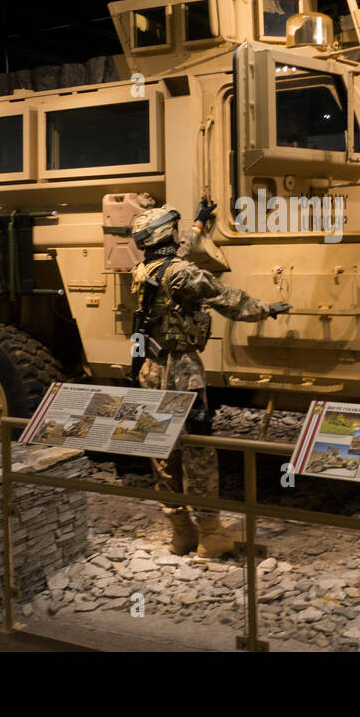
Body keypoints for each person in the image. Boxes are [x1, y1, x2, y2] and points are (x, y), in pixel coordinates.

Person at [130, 205, 290, 557]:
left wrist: (199, 222)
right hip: (182, 374)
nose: (177, 236)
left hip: (150, 371)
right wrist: (267, 309)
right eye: (173, 231)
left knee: (162, 454)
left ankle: (181, 532)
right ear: (164, 235)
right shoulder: (183, 274)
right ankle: (212, 535)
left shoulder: (145, 269)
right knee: (198, 454)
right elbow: (228, 298)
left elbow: (179, 253)